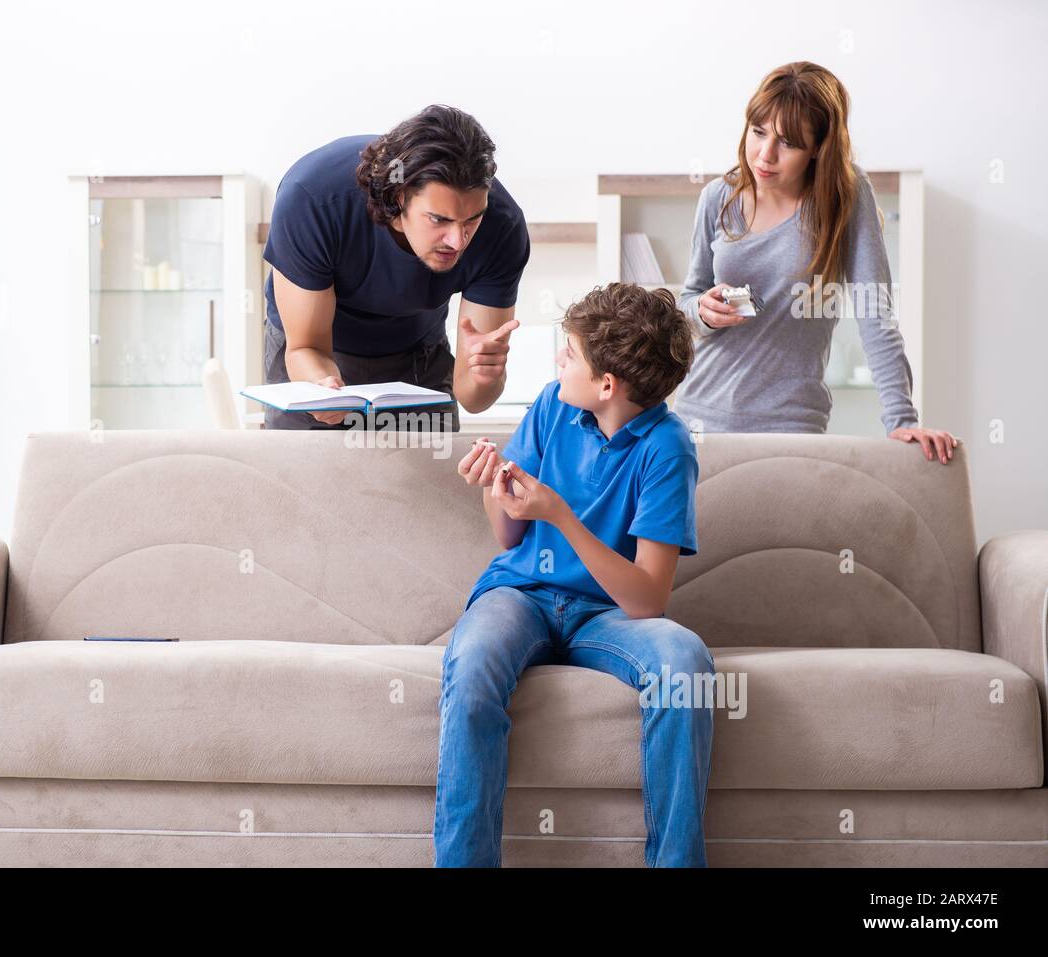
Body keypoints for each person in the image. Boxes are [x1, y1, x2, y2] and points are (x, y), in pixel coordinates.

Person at [435, 282, 716, 867]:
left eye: (569, 355)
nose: (557, 363)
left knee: (684, 660)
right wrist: (498, 487)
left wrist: (559, 515)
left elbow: (647, 601)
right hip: (521, 594)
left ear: (607, 385)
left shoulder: (668, 448)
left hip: (609, 616)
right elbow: (509, 534)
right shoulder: (552, 405)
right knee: (474, 659)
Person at [675, 61, 958, 464]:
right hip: (699, 416)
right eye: (758, 132)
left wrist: (901, 418)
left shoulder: (844, 196)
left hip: (790, 424)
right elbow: (688, 302)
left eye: (788, 143)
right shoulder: (718, 197)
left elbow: (874, 312)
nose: (765, 154)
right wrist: (703, 311)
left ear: (818, 149)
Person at [261, 104, 530, 431]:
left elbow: (473, 398)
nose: (458, 241)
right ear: (399, 197)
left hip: (418, 352)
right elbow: (306, 347)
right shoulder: (312, 200)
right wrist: (322, 389)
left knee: (427, 479)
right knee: (307, 477)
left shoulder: (502, 227)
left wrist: (486, 373)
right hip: (311, 348)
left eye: (472, 219)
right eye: (438, 220)